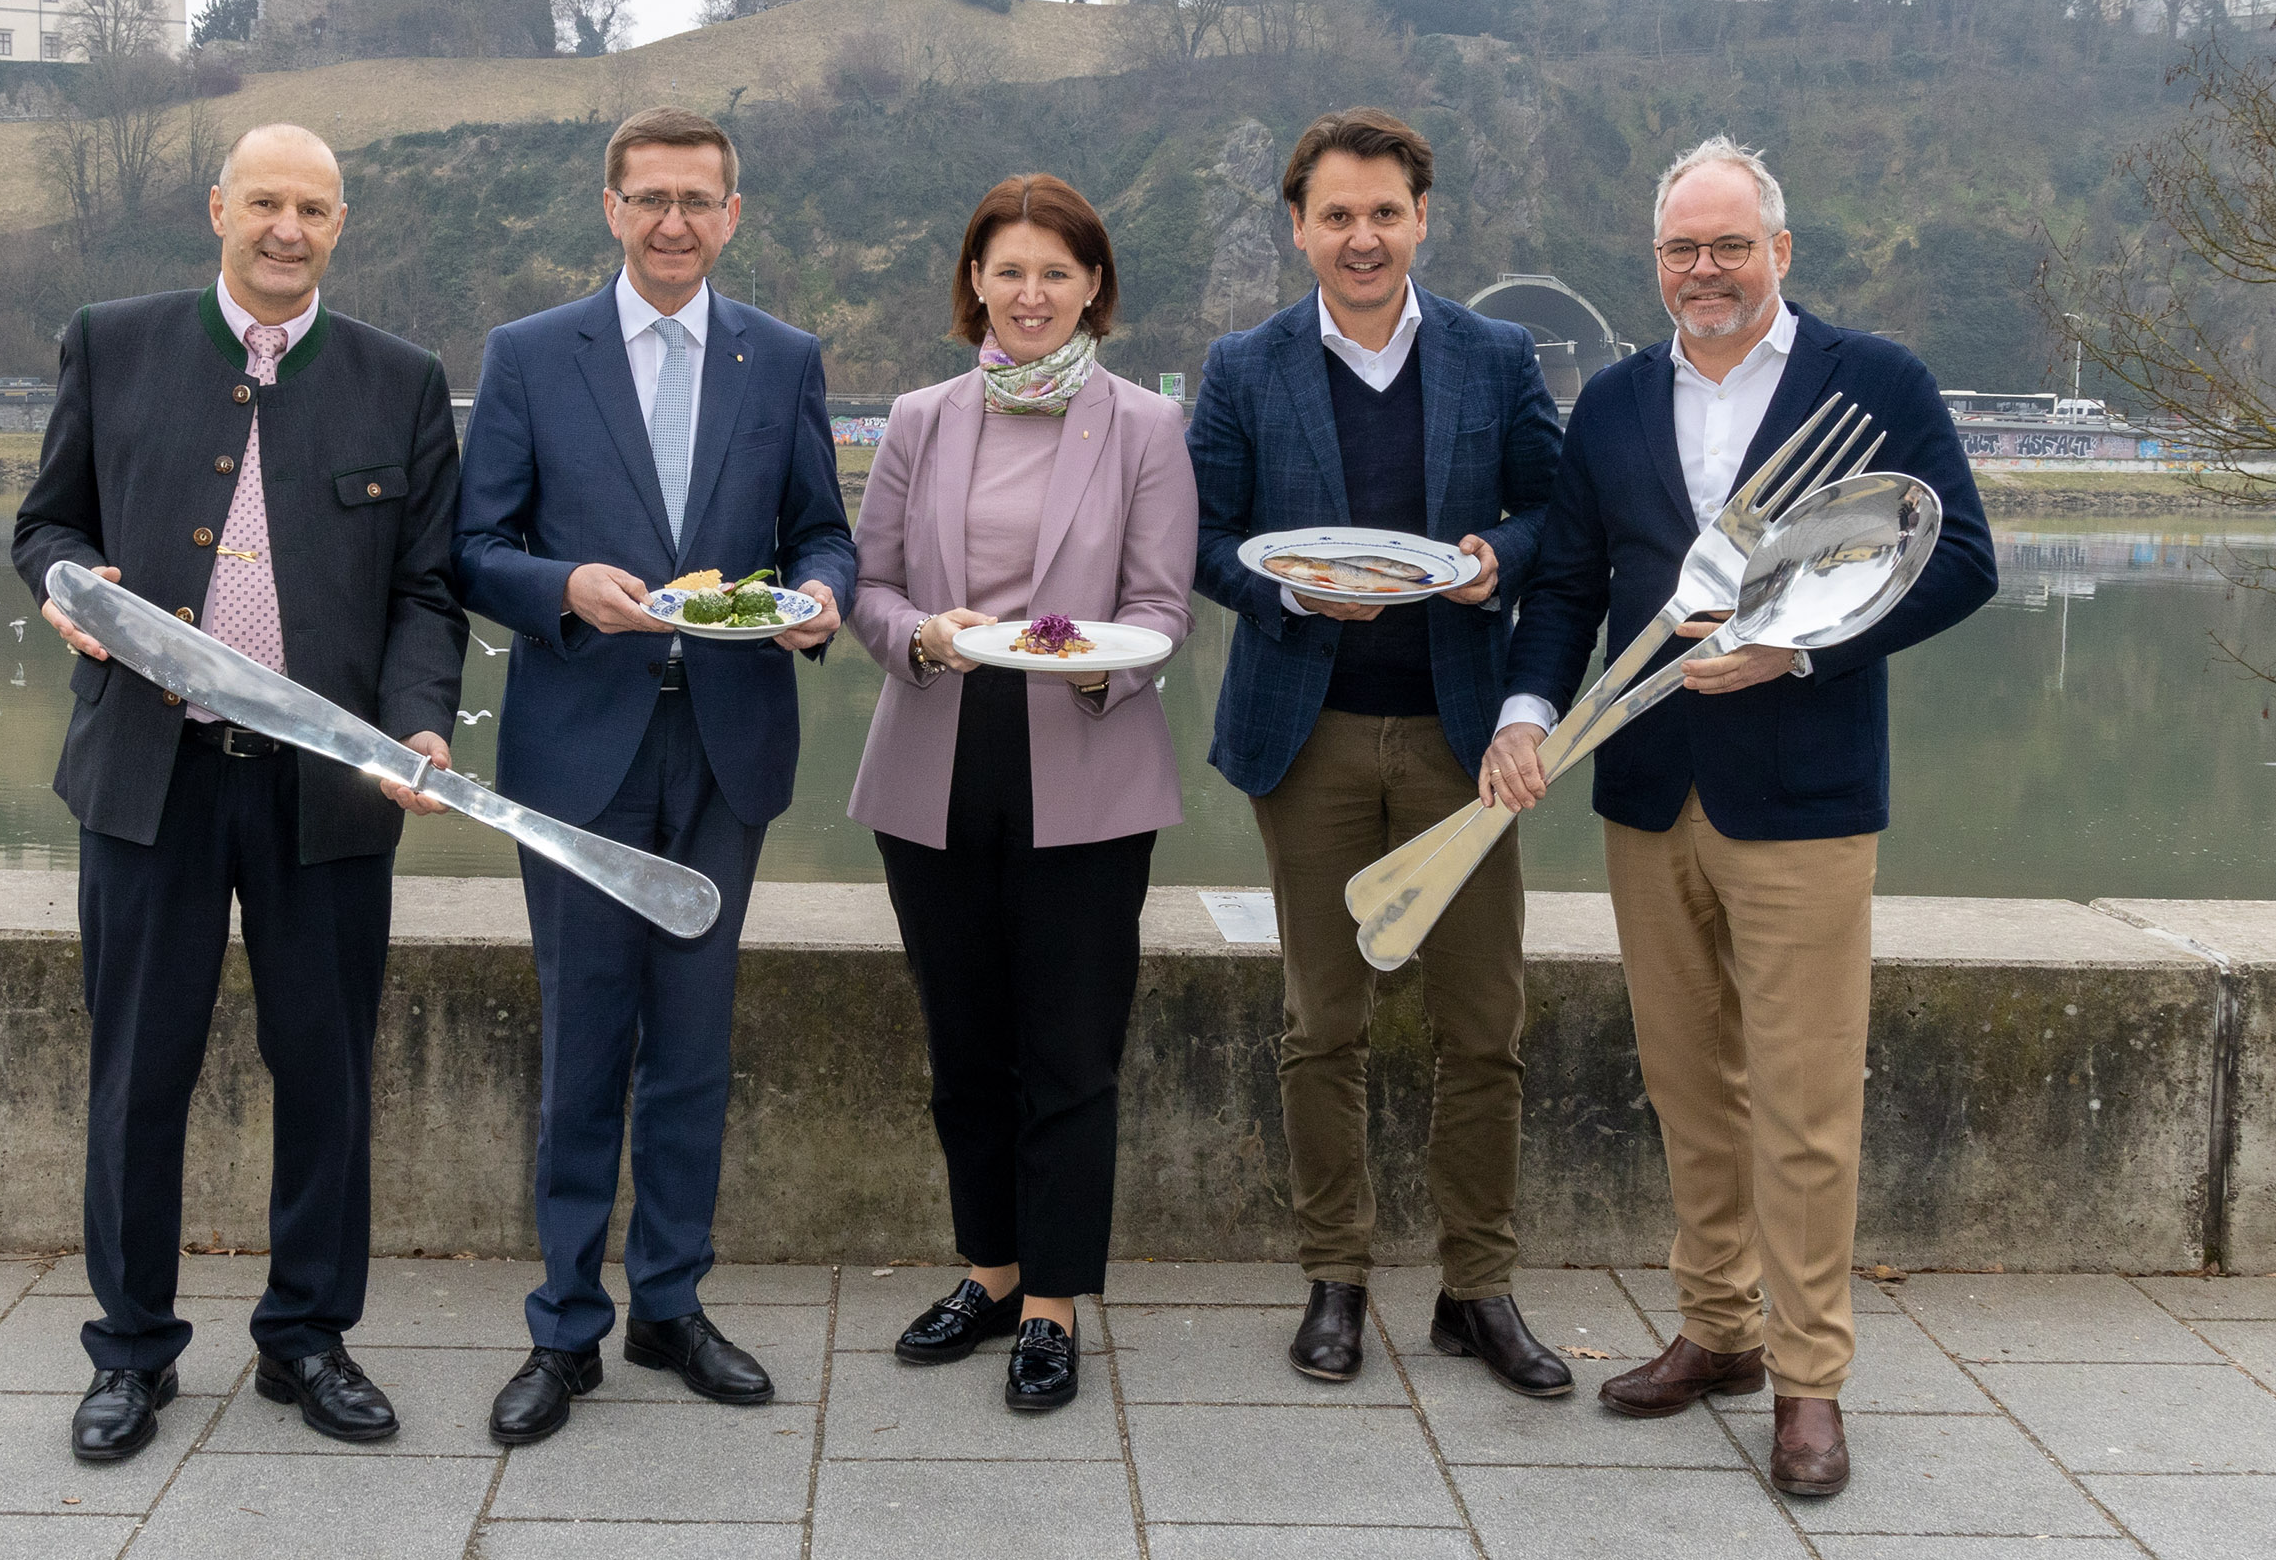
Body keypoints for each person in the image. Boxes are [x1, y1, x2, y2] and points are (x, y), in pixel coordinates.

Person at [1482, 136, 1996, 1497]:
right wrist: (1527, 711)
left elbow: (1963, 565)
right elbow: (1569, 592)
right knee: (1687, 1092)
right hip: (1649, 796)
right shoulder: (1612, 405)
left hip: (1805, 799)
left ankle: (1810, 1380)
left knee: (1807, 1104)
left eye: (1727, 246)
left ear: (1779, 251)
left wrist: (1802, 650)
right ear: (1654, 263)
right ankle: (1719, 1332)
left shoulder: (1869, 382)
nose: (1702, 271)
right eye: (1678, 250)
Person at [13, 123, 468, 1462]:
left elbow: (424, 592)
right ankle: (131, 1353)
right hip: (148, 781)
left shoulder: (404, 379)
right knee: (137, 1071)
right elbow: (47, 523)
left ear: (341, 224)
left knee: (324, 1072)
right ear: (219, 207)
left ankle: (308, 1339)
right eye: (264, 201)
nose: (287, 227)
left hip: (327, 790)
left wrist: (421, 726)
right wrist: (67, 590)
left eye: (313, 208)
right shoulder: (113, 341)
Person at [453, 106, 857, 1447]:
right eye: (650, 198)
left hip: (728, 746)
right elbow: (475, 547)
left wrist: (814, 597)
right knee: (581, 1040)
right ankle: (564, 1325)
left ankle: (671, 1304)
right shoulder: (528, 355)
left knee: (691, 1045)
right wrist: (564, 586)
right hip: (579, 747)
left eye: (699, 198)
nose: (674, 220)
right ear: (611, 209)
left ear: (733, 215)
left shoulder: (781, 357)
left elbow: (824, 534)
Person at [1188, 108, 1568, 1396]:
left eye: (1384, 212)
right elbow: (1199, 540)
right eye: (1335, 214)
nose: (1361, 237)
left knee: (1482, 1024)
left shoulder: (1493, 352)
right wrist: (1288, 592)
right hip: (1311, 736)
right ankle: (1334, 1276)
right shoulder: (1242, 367)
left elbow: (1551, 513)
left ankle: (1477, 1286)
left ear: (1421, 218)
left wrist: (1488, 565)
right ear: (1298, 227)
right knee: (1322, 1020)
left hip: (1468, 741)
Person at [848, 174, 1197, 1413]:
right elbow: (870, 588)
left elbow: (1159, 611)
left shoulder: (1147, 428)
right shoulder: (919, 417)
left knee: (1069, 1048)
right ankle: (987, 1271)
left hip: (1086, 760)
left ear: (1093, 284)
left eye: (1056, 271)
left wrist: (1089, 659)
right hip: (933, 751)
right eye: (1008, 271)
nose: (1031, 293)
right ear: (975, 285)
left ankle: (1051, 1302)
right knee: (962, 1046)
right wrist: (926, 638)